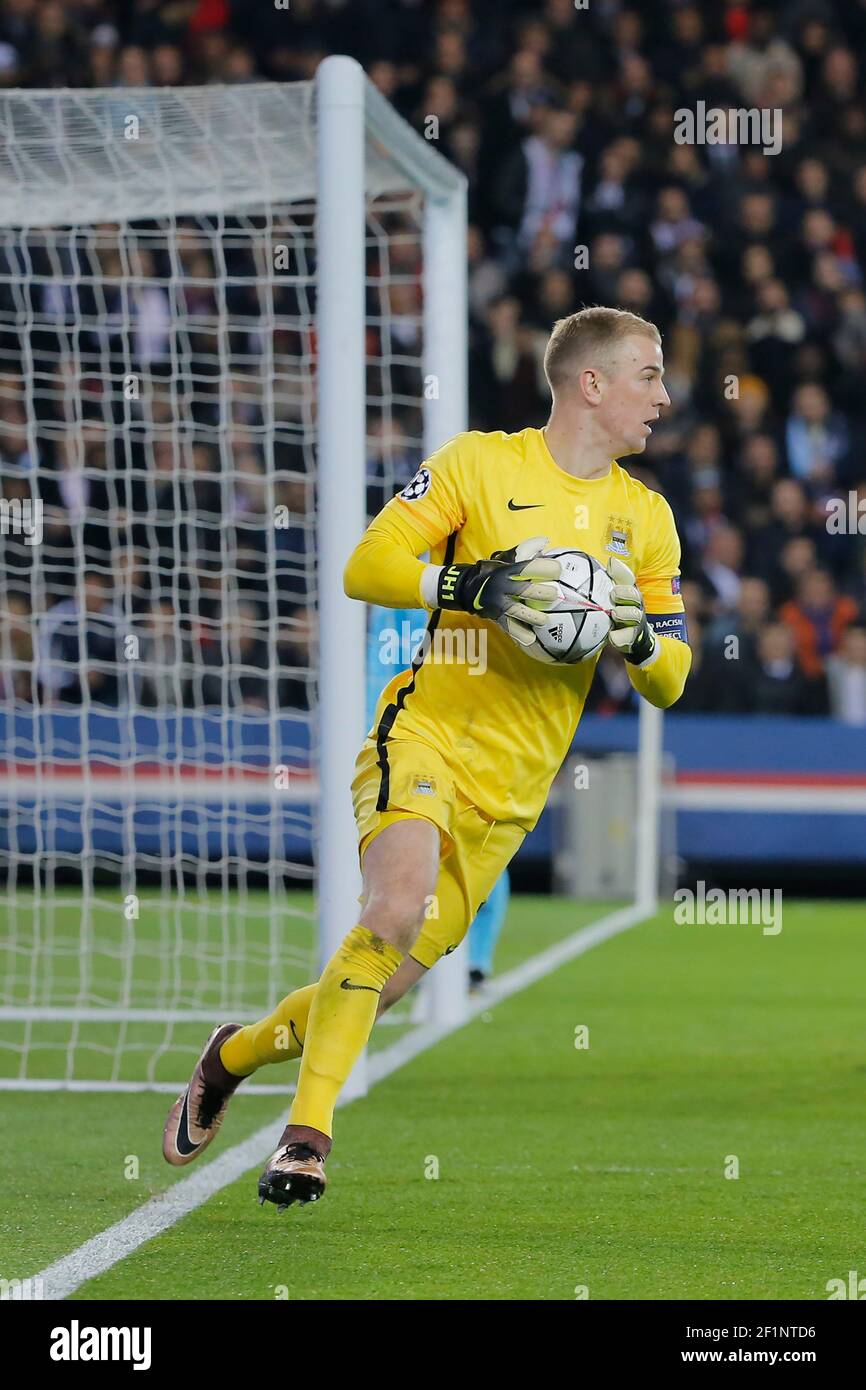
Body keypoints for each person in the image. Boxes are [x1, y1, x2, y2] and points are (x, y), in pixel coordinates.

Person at [162, 306, 692, 1208]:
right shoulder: (479, 463)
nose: (666, 395)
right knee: (394, 908)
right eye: (649, 374)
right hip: (426, 732)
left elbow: (673, 679)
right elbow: (367, 565)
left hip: (512, 797)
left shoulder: (645, 519)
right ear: (591, 383)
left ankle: (233, 1054)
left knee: (374, 982)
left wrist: (638, 638)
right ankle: (306, 1138)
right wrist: (468, 584)